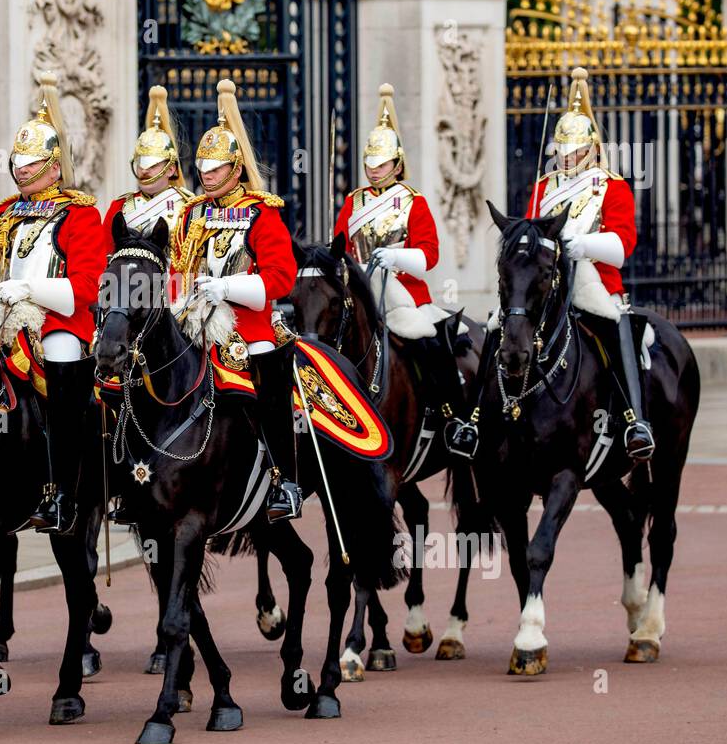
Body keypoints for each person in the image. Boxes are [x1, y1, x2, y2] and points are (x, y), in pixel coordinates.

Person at [170, 78, 301, 523]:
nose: (205, 175)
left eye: (214, 168)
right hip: (193, 323)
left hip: (249, 327)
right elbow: (174, 266)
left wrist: (225, 288)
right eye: (202, 167)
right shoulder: (190, 212)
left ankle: (286, 478)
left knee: (270, 385)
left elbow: (281, 278)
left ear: (236, 168)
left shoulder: (262, 212)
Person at [0, 71, 105, 536]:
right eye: (19, 161)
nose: (22, 169)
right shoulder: (0, 214)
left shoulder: (80, 213)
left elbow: (85, 288)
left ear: (55, 166)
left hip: (58, 322)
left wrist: (29, 292)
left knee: (60, 357)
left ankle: (61, 489)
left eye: (33, 162)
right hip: (3, 318)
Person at [530, 67, 654, 458]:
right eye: (561, 151)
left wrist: (582, 245)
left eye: (575, 151)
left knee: (618, 328)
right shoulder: (542, 188)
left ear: (592, 148)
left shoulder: (611, 186)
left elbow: (623, 245)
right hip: (547, 285)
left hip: (594, 282)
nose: (567, 158)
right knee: (503, 326)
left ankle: (636, 420)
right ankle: (480, 416)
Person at [333, 83, 463, 421]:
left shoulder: (413, 201)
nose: (373, 169)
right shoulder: (353, 202)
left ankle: (447, 412)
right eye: (370, 163)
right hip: (361, 293)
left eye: (381, 163)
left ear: (397, 163)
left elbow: (429, 255)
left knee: (429, 343)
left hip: (406, 296)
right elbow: (339, 247)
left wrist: (397, 257)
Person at [102, 84, 194, 240]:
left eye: (153, 165)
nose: (144, 170)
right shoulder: (119, 206)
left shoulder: (188, 207)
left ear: (171, 169)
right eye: (141, 164)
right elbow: (106, 254)